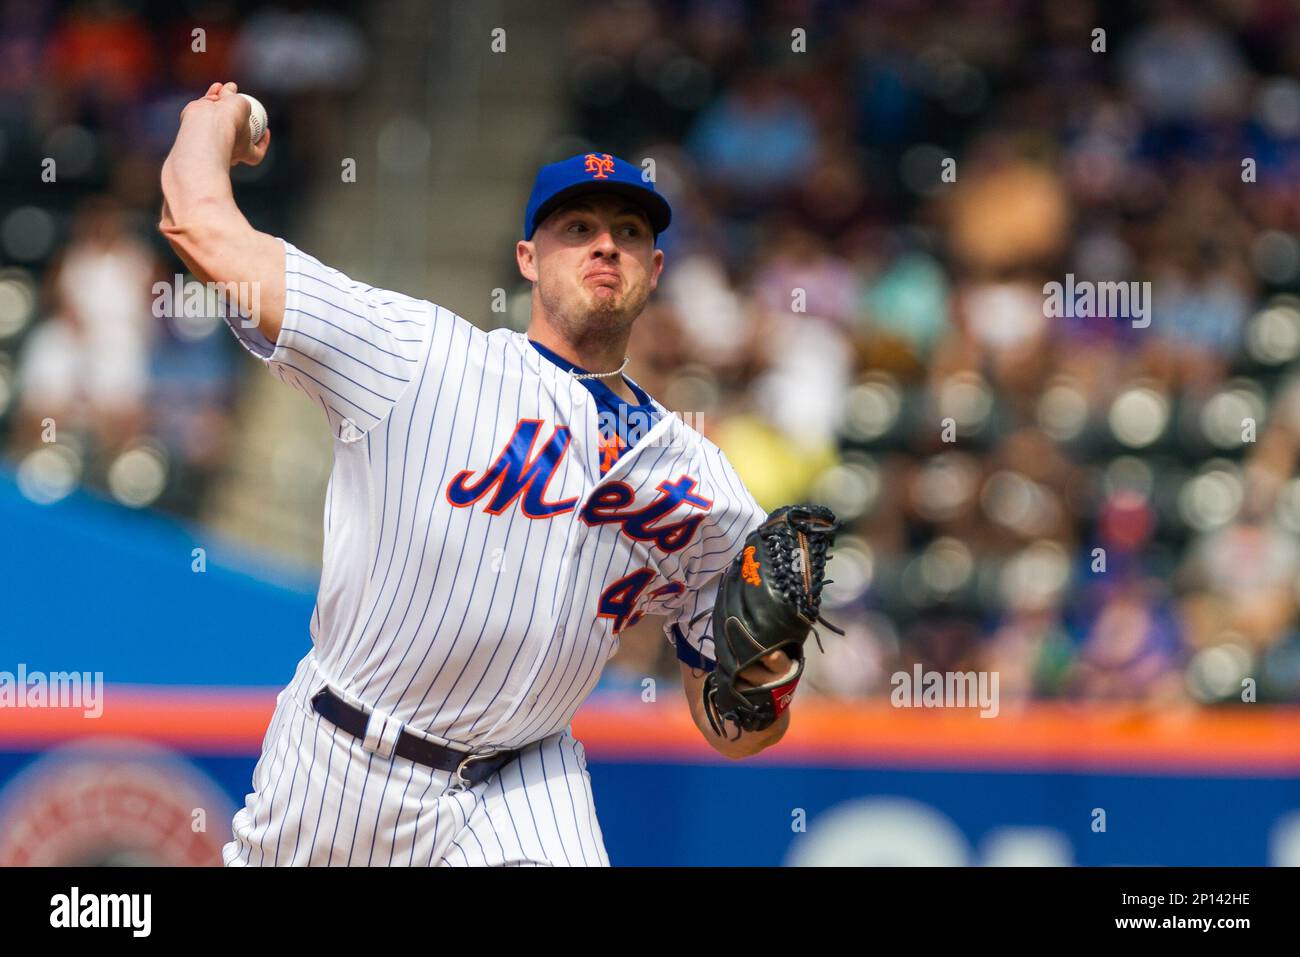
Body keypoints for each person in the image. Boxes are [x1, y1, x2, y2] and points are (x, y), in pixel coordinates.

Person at [158, 82, 807, 866]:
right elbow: (200, 226)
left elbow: (735, 728)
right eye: (578, 227)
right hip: (344, 757)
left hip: (525, 779)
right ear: (528, 259)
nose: (606, 245)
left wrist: (770, 668)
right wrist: (206, 123)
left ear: (656, 266)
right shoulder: (417, 357)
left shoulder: (701, 481)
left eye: (629, 231)